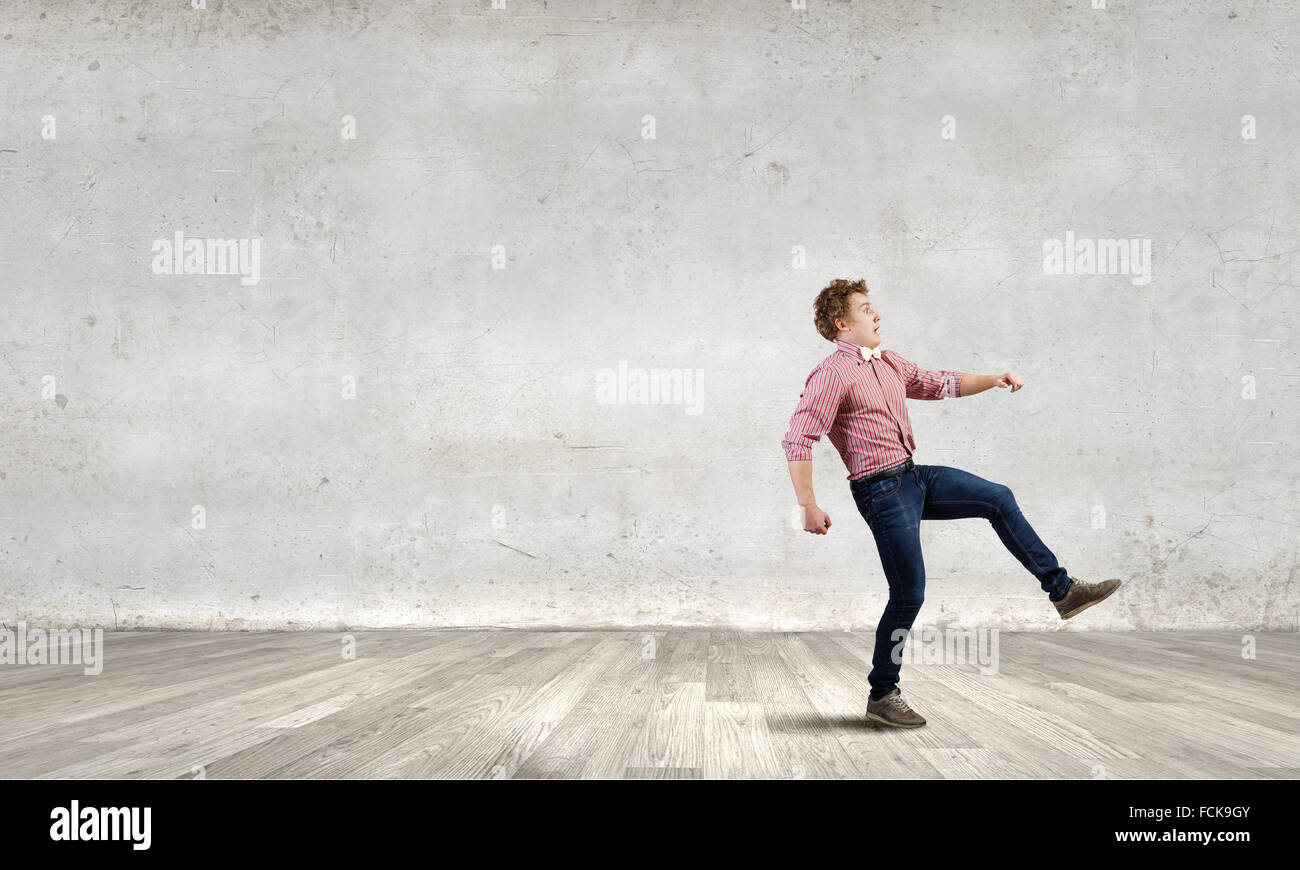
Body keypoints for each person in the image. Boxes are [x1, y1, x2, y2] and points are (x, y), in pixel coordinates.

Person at [781, 278, 1121, 728]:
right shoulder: (832, 374)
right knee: (909, 595)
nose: (876, 315)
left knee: (997, 498)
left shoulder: (888, 362)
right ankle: (883, 693)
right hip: (880, 491)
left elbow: (938, 382)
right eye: (866, 309)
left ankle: (1062, 590)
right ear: (843, 324)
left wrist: (994, 378)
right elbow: (798, 437)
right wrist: (808, 504)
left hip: (913, 476)